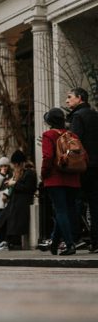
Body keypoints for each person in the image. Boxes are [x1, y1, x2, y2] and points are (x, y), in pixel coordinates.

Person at [40, 108, 81, 256]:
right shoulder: (72, 135)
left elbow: (48, 157)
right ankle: (55, 242)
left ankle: (70, 244)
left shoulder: (48, 135)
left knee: (61, 211)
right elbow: (84, 156)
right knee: (66, 211)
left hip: (55, 179)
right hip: (73, 178)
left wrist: (44, 174)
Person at [66, 88, 98, 252]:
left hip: (83, 166)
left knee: (75, 202)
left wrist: (66, 161)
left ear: (80, 98)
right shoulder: (94, 114)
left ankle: (75, 238)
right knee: (95, 204)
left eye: (70, 97)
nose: (67, 101)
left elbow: (74, 144)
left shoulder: (78, 117)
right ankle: (96, 241)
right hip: (96, 165)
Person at [0, 150, 36, 251]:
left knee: (13, 219)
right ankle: (3, 241)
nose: (14, 167)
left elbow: (28, 188)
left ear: (19, 163)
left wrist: (14, 184)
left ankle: (11, 242)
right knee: (1, 220)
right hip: (14, 201)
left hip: (22, 202)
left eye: (15, 164)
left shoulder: (29, 173)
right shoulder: (18, 172)